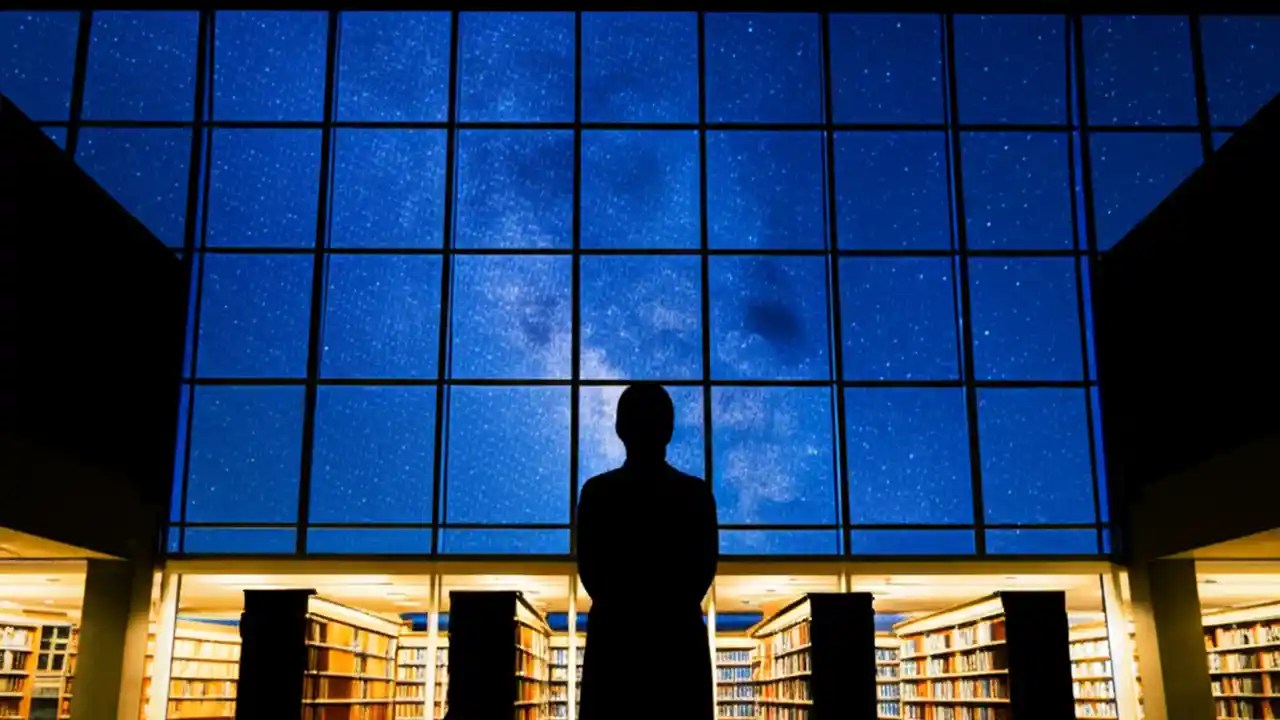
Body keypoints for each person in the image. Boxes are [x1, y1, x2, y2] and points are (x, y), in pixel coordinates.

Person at [576, 383, 719, 720]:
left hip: (615, 647)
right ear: (669, 430)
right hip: (678, 647)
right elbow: (702, 570)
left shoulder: (597, 493)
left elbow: (592, 573)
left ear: (619, 428)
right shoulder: (695, 494)